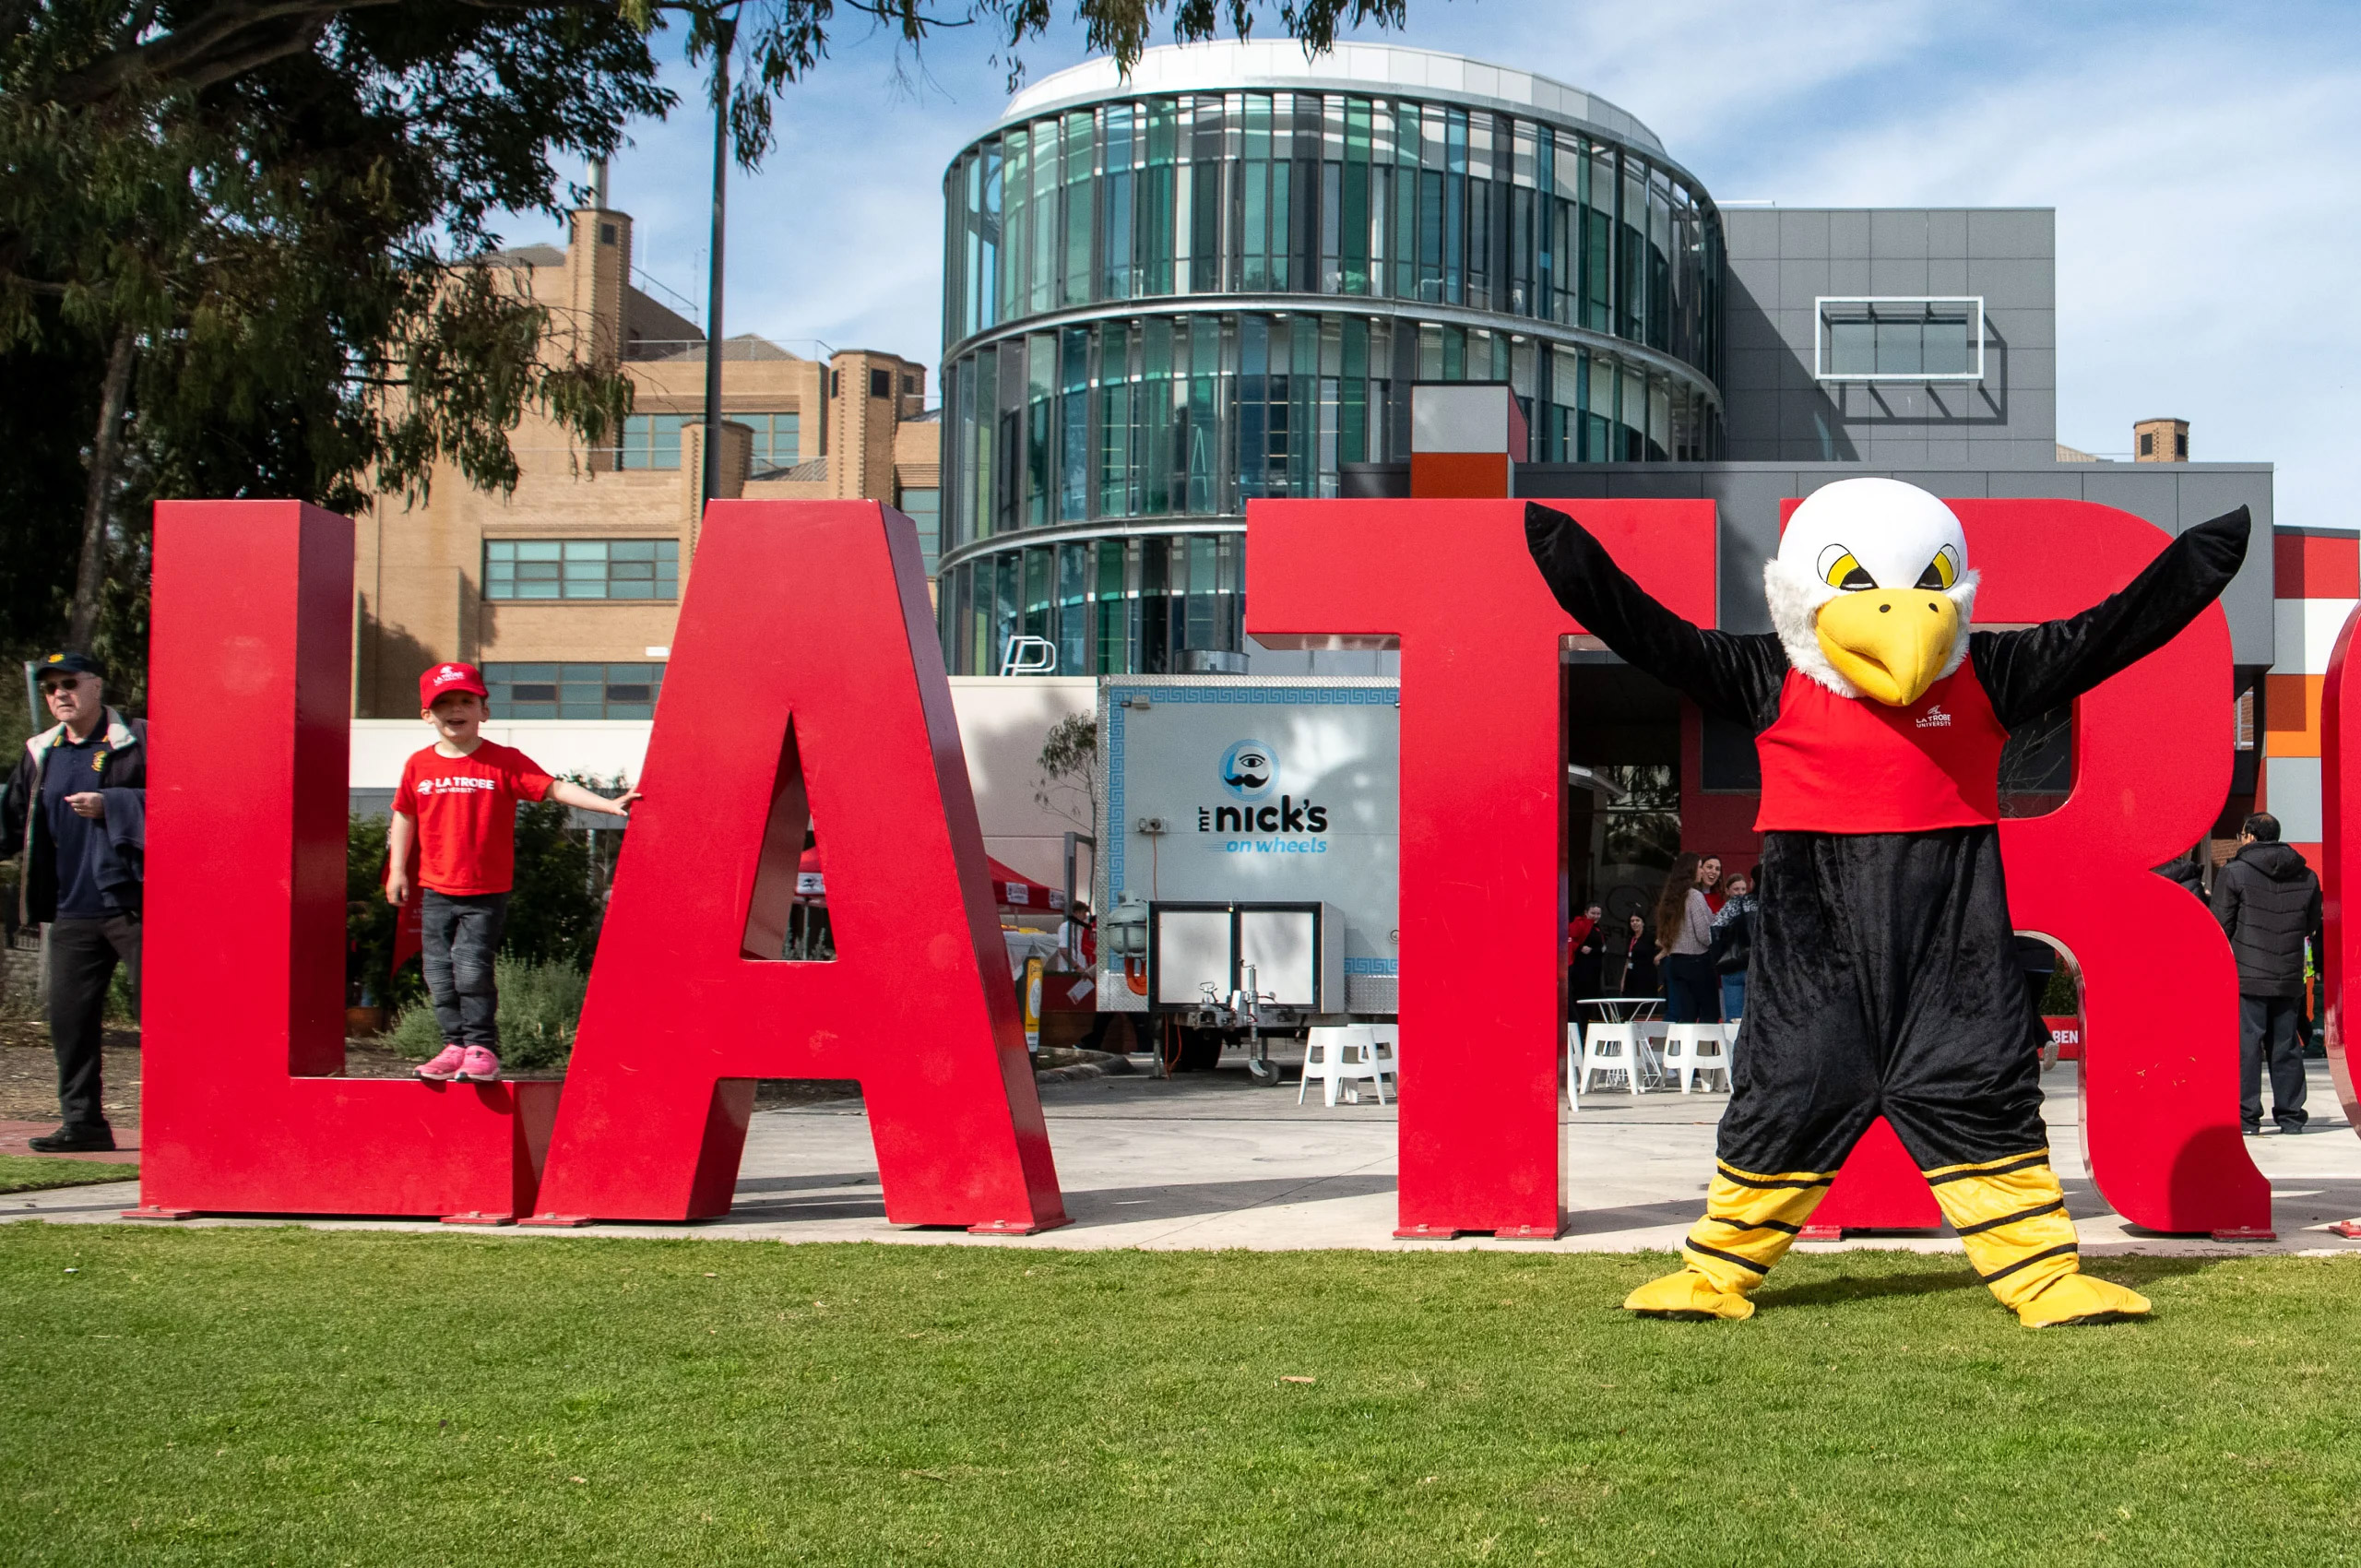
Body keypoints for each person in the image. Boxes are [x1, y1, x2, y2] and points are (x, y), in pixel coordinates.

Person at [388, 663, 638, 1083]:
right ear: (426, 715)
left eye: (466, 701)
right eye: (443, 703)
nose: (455, 709)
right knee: (437, 972)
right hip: (436, 890)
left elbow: (554, 788)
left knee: (469, 967)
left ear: (484, 711)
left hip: (485, 891)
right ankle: (454, 1045)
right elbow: (404, 816)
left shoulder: (503, 761)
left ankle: (482, 1047)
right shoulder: (418, 765)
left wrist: (608, 804)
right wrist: (397, 869)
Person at [0, 652, 146, 1153]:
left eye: (69, 683)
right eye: (50, 688)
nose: (60, 694)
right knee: (69, 1020)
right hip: (70, 909)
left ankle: (187, 1121)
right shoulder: (42, 751)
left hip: (136, 906)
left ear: (97, 686)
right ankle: (83, 1123)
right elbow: (12, 818)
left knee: (161, 1016)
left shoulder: (137, 740)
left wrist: (117, 804)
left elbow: (186, 798)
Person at [2211, 812, 2319, 1135]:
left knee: (2247, 1046)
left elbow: (2220, 925)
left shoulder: (2233, 873)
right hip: (2288, 974)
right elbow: (2311, 924)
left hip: (2247, 974)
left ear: (2250, 836)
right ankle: (2290, 1116)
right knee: (2286, 1046)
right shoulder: (2307, 875)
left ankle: (2247, 1118)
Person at [1653, 852, 1716, 1023]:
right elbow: (1704, 934)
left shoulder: (1671, 897)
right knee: (1709, 1014)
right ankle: (1704, 1050)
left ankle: (1684, 1049)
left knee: (1686, 1015)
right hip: (1697, 961)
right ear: (1691, 870)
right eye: (1700, 867)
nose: (1702, 871)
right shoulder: (1694, 896)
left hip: (1675, 961)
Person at [1708, 872, 1758, 1024]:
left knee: (1734, 1019)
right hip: (1754, 964)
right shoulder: (1757, 904)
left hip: (1731, 965)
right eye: (1737, 889)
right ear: (1728, 890)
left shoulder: (1728, 907)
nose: (1740, 893)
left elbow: (1714, 933)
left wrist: (1717, 959)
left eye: (1743, 889)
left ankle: (1733, 1047)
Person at [1609, 913, 1656, 996]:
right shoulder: (1631, 938)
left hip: (1645, 975)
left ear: (1643, 923)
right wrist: (1623, 979)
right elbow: (1628, 959)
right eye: (1632, 921)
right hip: (1631, 975)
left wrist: (1658, 957)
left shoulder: (1650, 937)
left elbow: (1666, 946)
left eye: (1637, 920)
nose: (1634, 923)